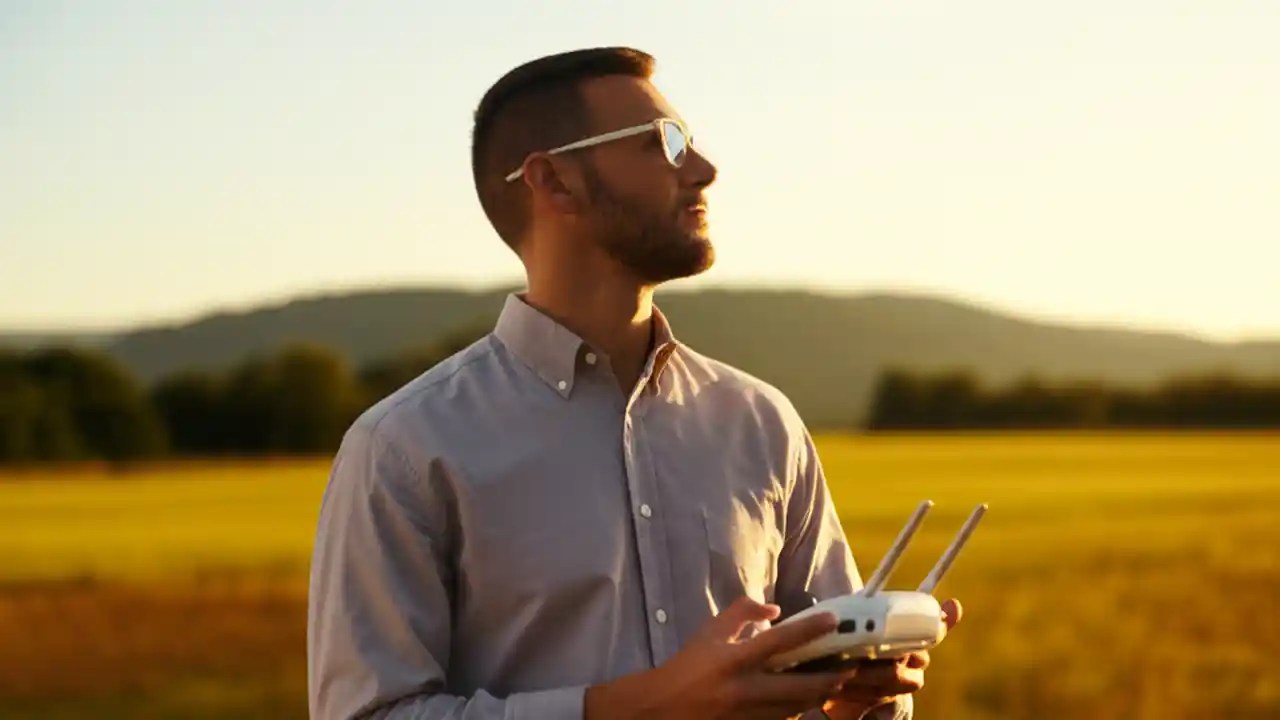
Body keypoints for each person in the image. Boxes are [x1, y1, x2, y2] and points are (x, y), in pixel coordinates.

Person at [307, 47, 962, 720]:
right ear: (555, 182)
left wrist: (857, 696)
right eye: (665, 144)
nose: (704, 170)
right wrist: (643, 707)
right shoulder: (405, 448)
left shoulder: (761, 423)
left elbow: (838, 689)